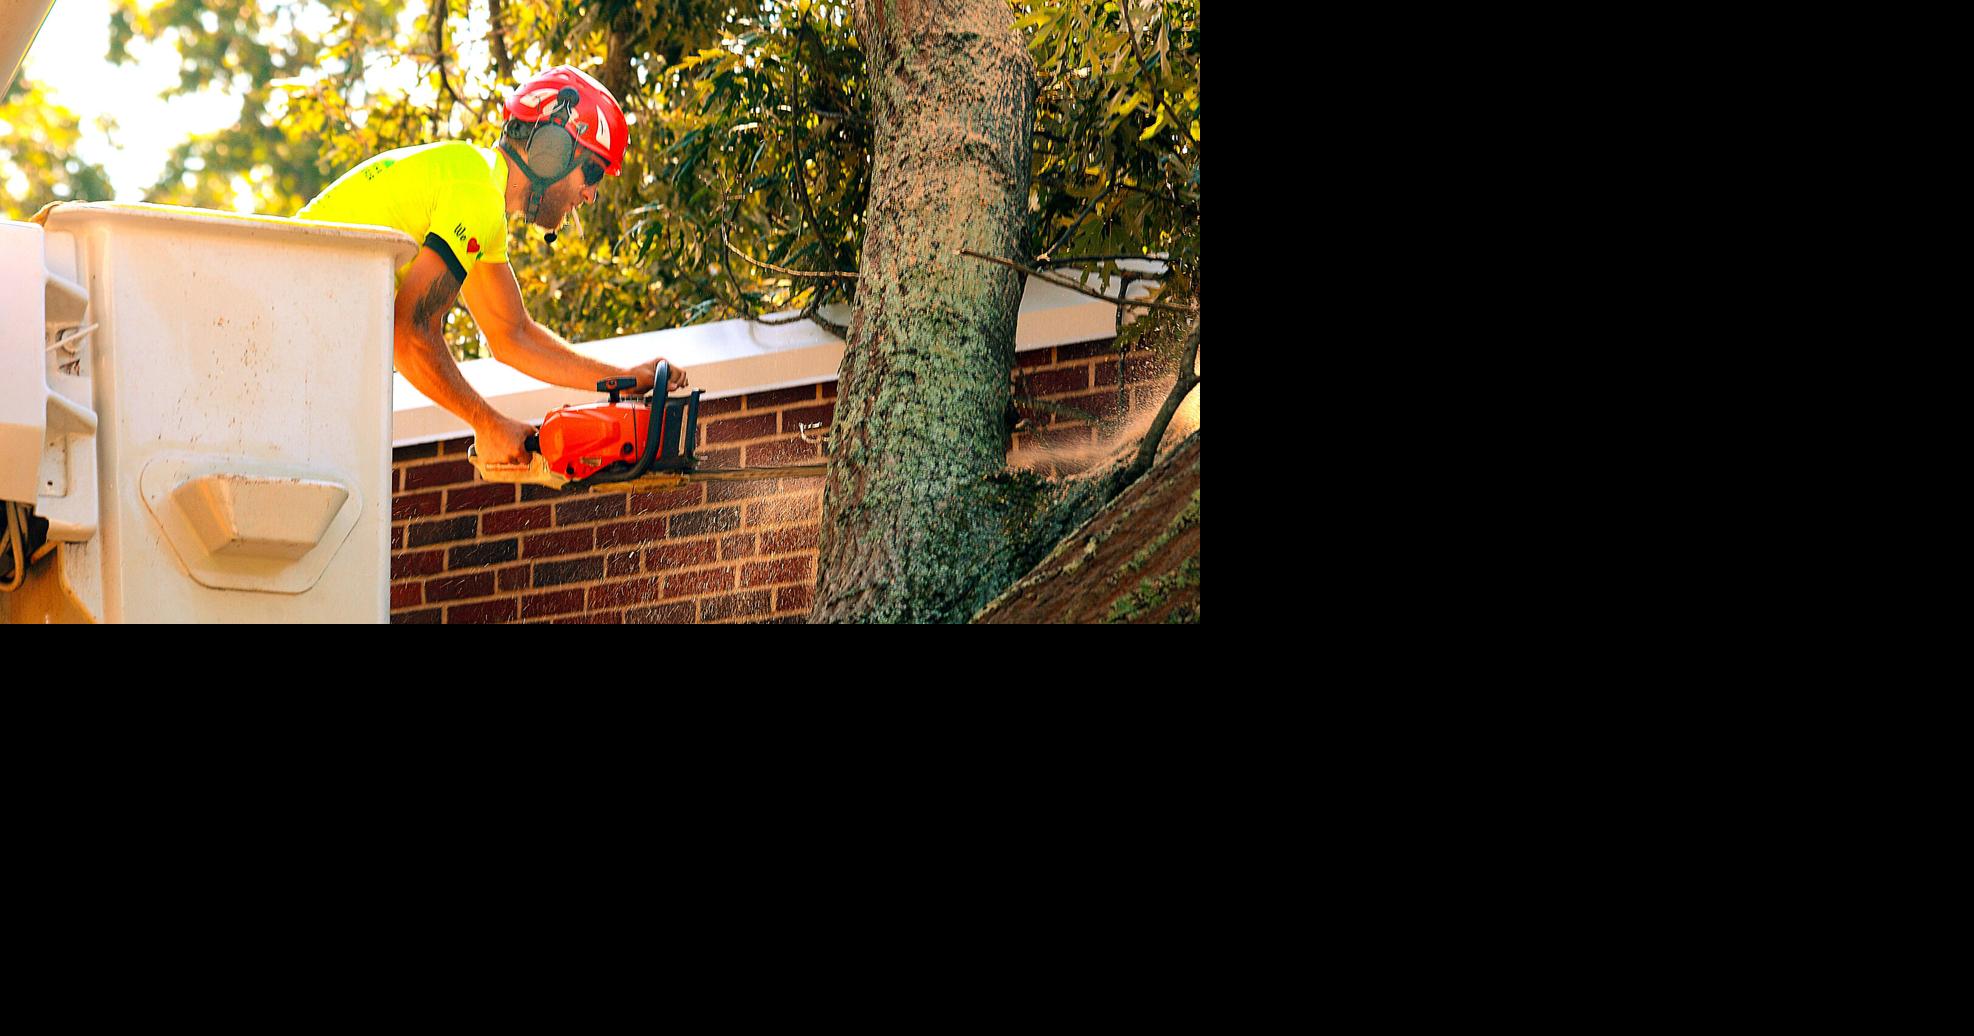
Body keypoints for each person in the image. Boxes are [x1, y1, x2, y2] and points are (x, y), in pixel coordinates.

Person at [295, 65, 686, 465]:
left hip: (300, 330)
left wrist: (628, 378)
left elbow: (513, 335)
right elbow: (409, 333)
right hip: (290, 313)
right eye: (592, 171)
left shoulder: (481, 196)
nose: (590, 194)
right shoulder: (476, 189)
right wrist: (485, 422)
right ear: (552, 148)